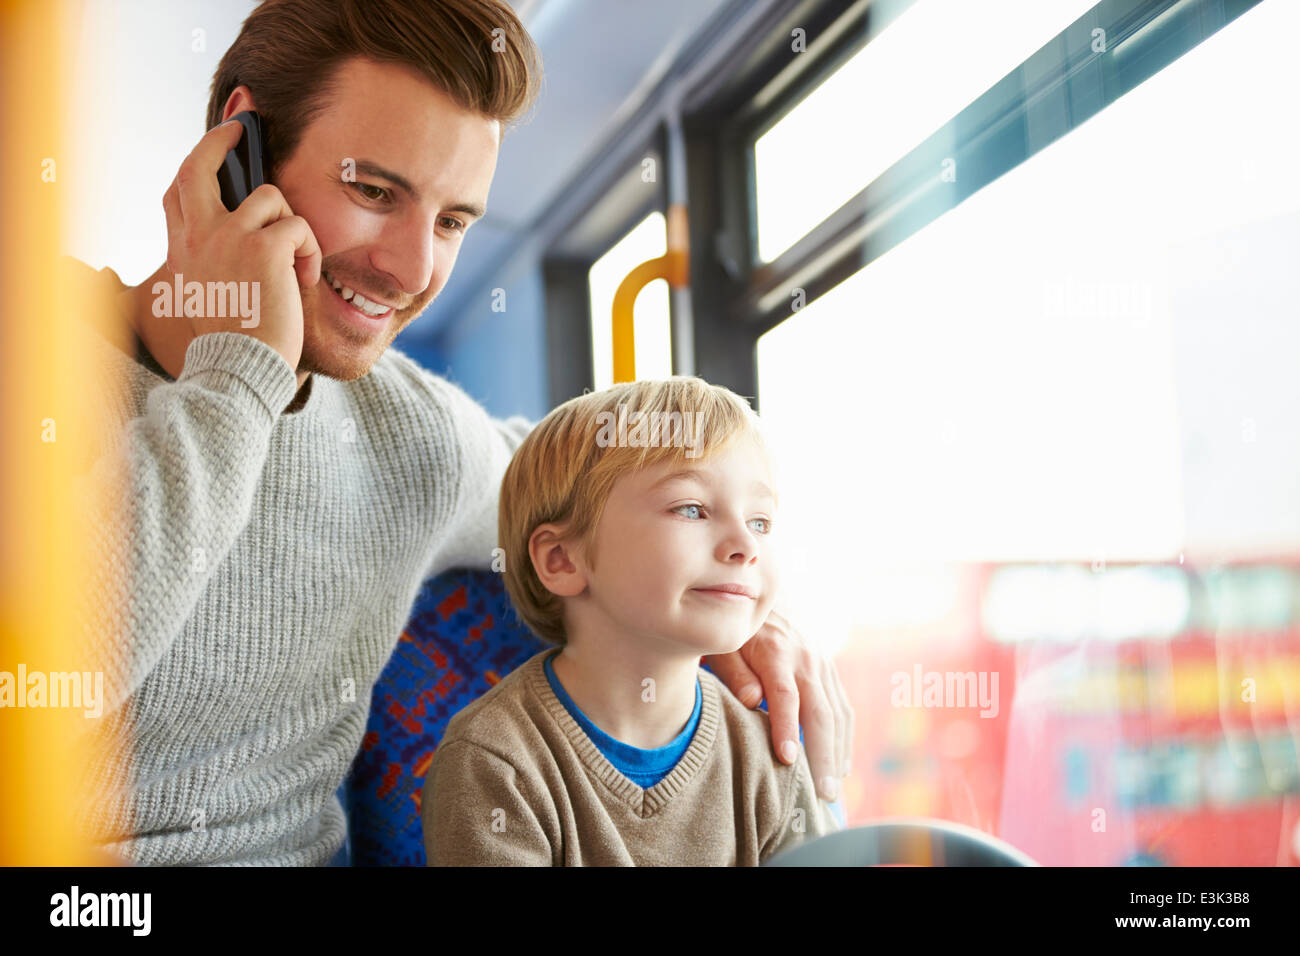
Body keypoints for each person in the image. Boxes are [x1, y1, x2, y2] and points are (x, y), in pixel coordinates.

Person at [66, 0, 852, 866]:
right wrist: (237, 374)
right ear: (238, 151)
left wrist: (751, 614)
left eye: (450, 222)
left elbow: (595, 499)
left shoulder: (410, 437)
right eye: (372, 192)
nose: (410, 269)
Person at [423, 378, 840, 865]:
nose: (745, 546)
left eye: (760, 522)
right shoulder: (495, 759)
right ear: (561, 560)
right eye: (692, 509)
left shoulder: (767, 753)